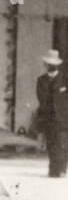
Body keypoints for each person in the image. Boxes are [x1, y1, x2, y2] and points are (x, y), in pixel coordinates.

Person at [35, 49, 67, 178]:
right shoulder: (41, 80)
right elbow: (41, 98)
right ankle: (53, 169)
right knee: (51, 143)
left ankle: (61, 168)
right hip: (48, 118)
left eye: (53, 63)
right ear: (45, 64)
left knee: (62, 143)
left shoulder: (65, 79)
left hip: (63, 118)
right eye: (48, 63)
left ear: (57, 64)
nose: (51, 65)